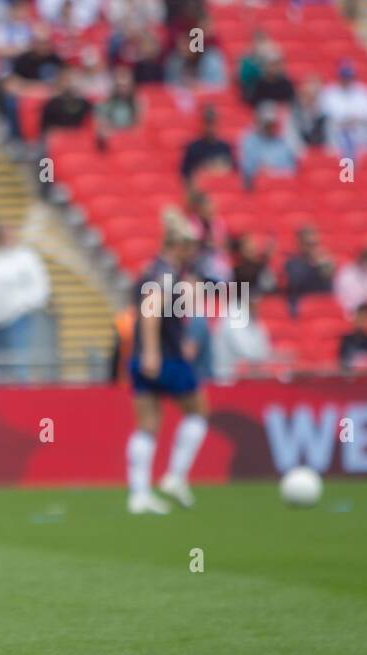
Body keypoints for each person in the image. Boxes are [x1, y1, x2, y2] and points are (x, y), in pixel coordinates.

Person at [125, 220, 209, 514]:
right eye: (190, 246)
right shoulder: (165, 274)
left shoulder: (156, 271)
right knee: (198, 411)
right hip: (164, 358)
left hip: (144, 356)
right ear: (178, 245)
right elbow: (150, 312)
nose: (193, 252)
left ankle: (139, 494)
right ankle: (175, 475)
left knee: (147, 424)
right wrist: (152, 352)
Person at [0, 223, 52, 381]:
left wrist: (24, 304)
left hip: (17, 316)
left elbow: (40, 286)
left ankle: (20, 397)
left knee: (16, 362)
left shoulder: (25, 256)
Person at [180, 106, 235, 181]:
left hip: (221, 187)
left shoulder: (225, 148)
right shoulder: (193, 148)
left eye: (213, 123)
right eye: (207, 123)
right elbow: (185, 175)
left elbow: (233, 173)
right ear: (202, 124)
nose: (210, 127)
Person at [339, 304, 367, 372]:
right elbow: (342, 365)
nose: (362, 322)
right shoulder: (346, 341)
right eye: (360, 317)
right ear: (355, 319)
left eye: (366, 318)